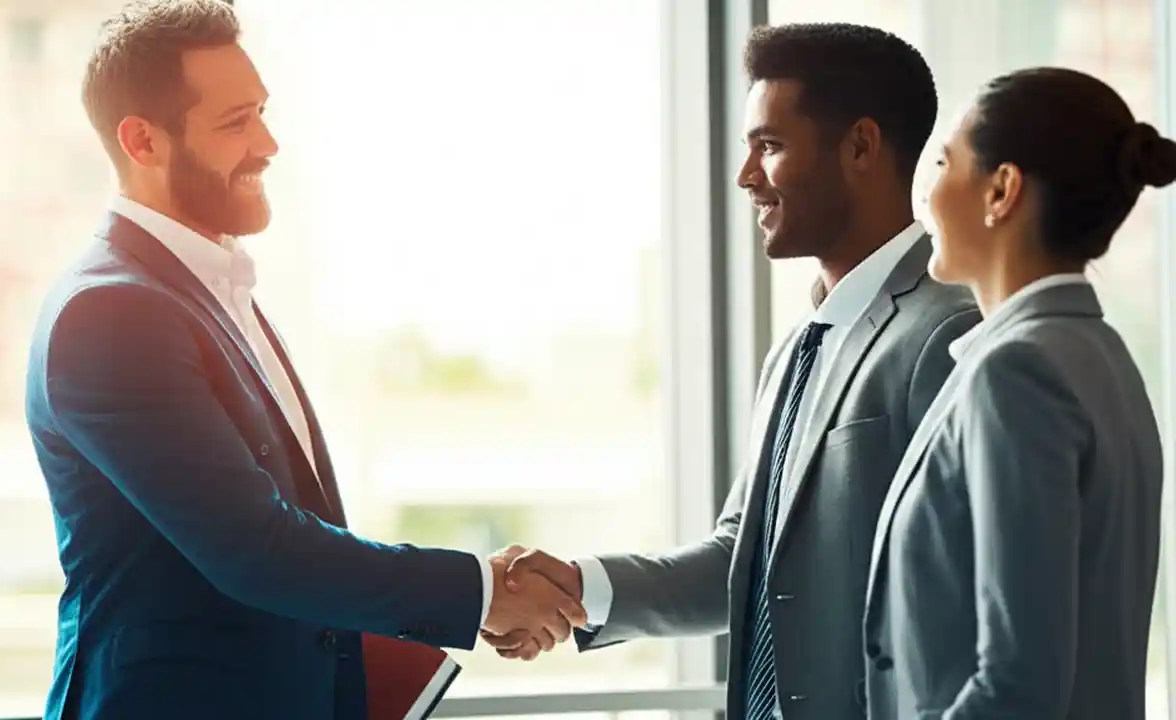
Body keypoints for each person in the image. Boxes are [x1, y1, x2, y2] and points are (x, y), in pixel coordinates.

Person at [24, 2, 583, 718]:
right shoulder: (109, 315)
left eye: (261, 112)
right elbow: (256, 549)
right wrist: (480, 591)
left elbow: (293, 533)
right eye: (235, 123)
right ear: (142, 141)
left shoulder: (213, 290)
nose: (267, 144)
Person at [485, 23, 979, 720]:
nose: (746, 176)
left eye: (769, 146)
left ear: (861, 146)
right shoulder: (795, 352)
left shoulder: (949, 334)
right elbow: (743, 566)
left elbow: (976, 604)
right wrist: (574, 585)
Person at [863, 67, 1174, 719]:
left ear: (1001, 190)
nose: (927, 195)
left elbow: (1018, 686)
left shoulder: (1016, 374)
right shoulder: (1104, 357)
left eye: (944, 162)